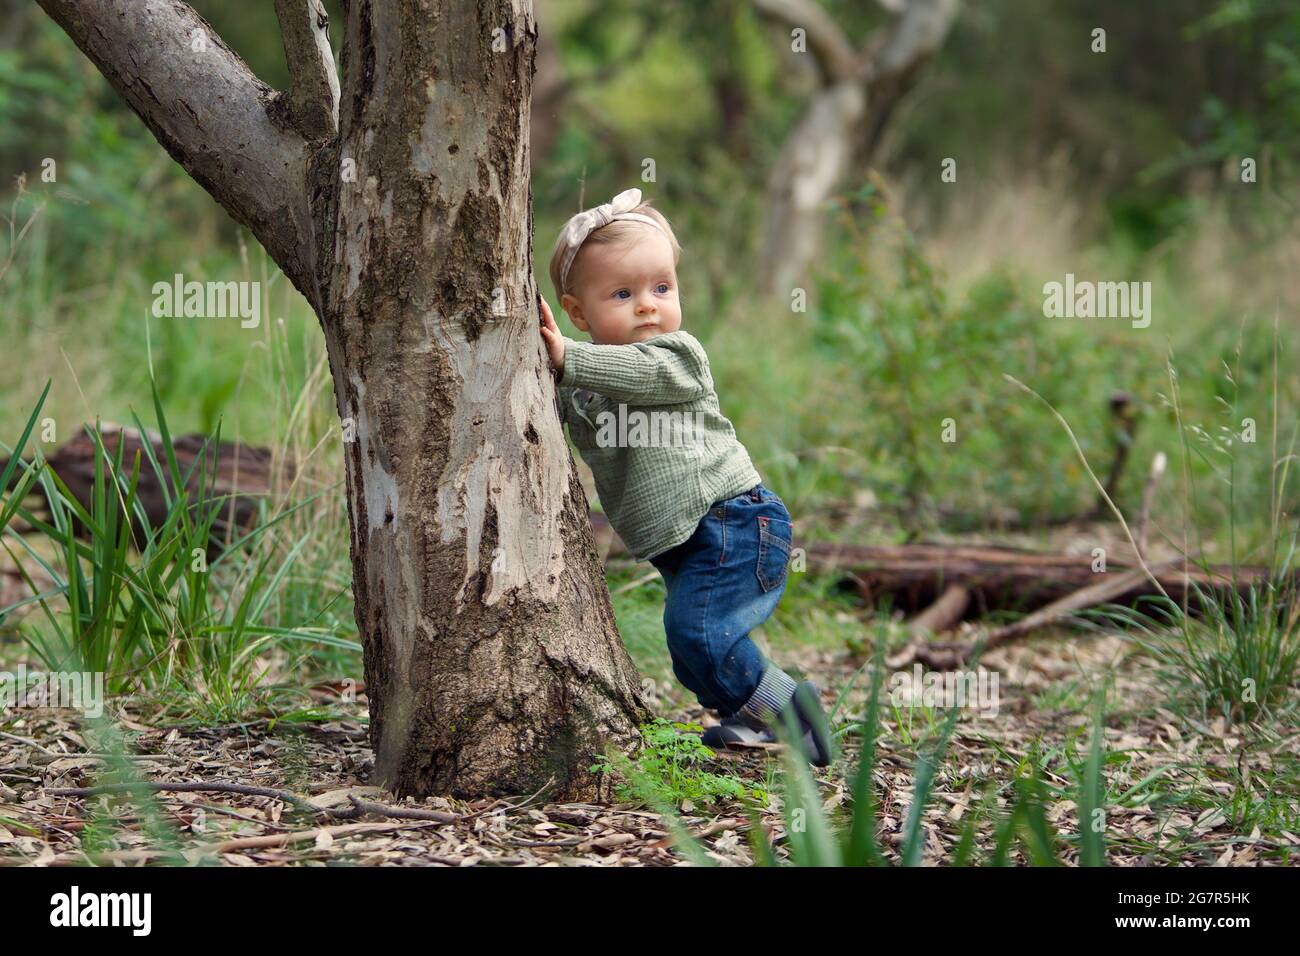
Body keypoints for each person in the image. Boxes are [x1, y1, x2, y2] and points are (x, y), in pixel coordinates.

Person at [537, 188, 832, 766]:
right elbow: (580, 416)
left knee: (698, 630)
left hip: (736, 521)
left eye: (662, 288)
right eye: (623, 293)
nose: (648, 305)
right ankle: (753, 717)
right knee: (689, 647)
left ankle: (793, 708)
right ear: (577, 312)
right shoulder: (593, 377)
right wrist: (551, 372)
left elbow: (644, 374)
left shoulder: (678, 356)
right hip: (690, 540)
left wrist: (568, 357)